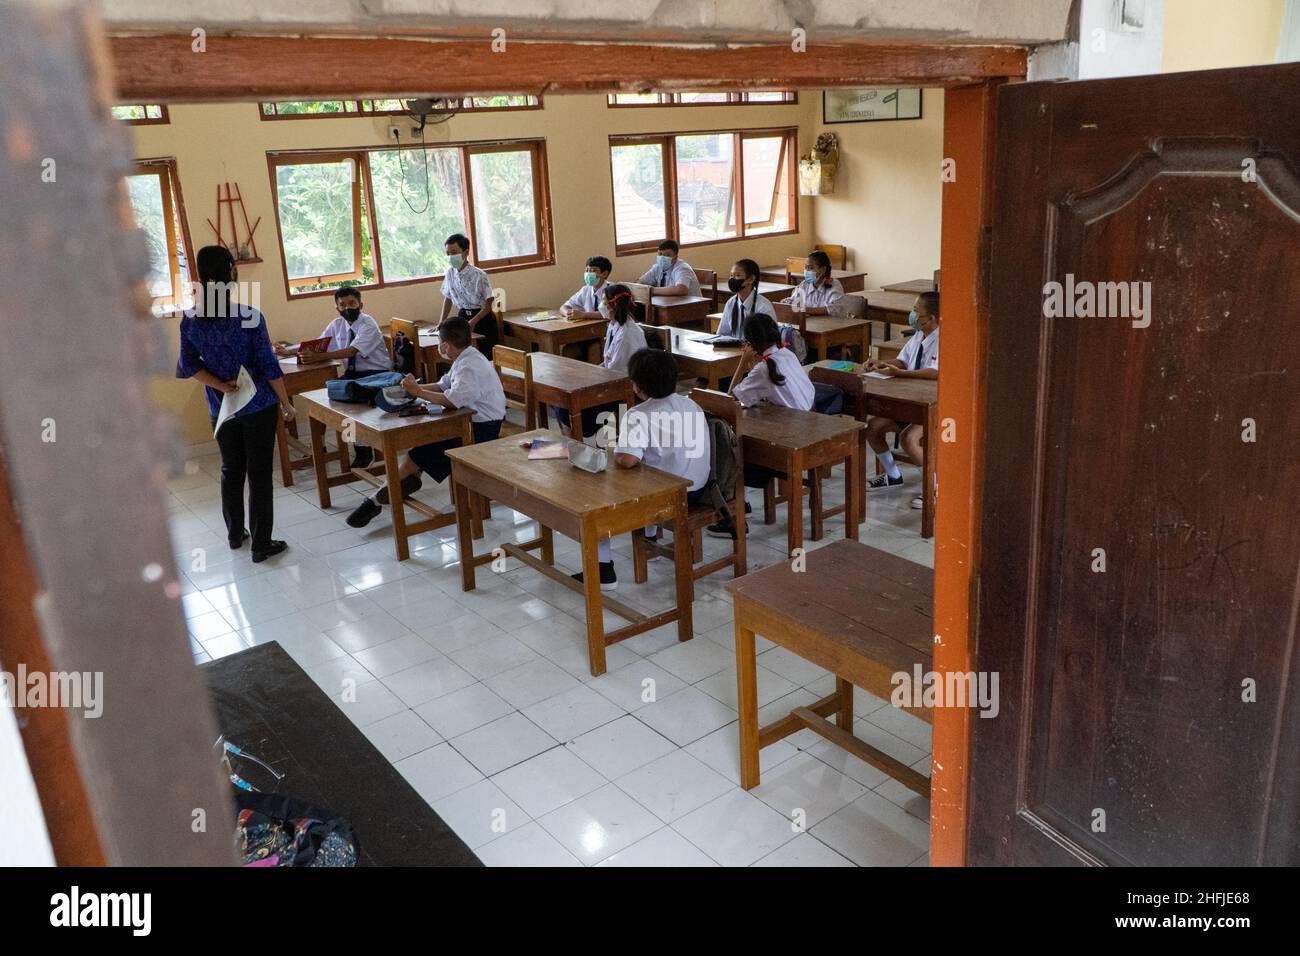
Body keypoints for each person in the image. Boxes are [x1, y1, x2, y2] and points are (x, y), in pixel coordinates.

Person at [176, 245, 294, 563]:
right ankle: (261, 544)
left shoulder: (190, 320)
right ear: (231, 274)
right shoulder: (250, 316)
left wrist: (220, 385)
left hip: (221, 408)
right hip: (258, 406)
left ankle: (234, 535)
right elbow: (269, 368)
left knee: (231, 469)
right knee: (258, 474)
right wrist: (286, 404)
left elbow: (187, 366)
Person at [346, 318, 505, 528]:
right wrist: (409, 388)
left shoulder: (469, 366)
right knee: (420, 450)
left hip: (481, 429)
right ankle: (401, 484)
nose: (439, 346)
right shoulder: (465, 357)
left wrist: (419, 392)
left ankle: (375, 500)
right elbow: (443, 386)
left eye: (439, 342)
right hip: (466, 422)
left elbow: (452, 400)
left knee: (416, 455)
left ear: (446, 345)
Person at [574, 348, 710, 591]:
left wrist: (615, 448)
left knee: (597, 494)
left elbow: (627, 460)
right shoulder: (691, 404)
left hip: (672, 497)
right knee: (654, 467)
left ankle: (603, 570)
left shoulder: (638, 414)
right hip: (701, 488)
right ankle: (650, 540)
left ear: (636, 386)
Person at [707, 313, 813, 538]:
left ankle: (735, 514)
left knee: (734, 446)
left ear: (750, 343)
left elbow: (730, 399)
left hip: (788, 439)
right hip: (808, 426)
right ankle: (739, 504)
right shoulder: (788, 354)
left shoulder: (762, 369)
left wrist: (742, 363)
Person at [276, 285, 391, 467]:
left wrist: (319, 357)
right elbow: (319, 344)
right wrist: (288, 351)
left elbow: (352, 351)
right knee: (321, 400)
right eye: (342, 305)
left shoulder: (368, 324)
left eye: (352, 303)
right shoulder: (337, 324)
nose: (347, 308)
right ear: (337, 308)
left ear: (361, 304)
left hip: (377, 375)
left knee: (347, 403)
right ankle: (319, 446)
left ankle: (363, 450)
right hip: (353, 375)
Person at [863, 291, 939, 510]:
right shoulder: (918, 334)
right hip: (908, 399)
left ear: (931, 318)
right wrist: (882, 363)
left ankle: (933, 488)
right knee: (873, 428)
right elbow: (903, 360)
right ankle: (893, 475)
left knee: (909, 439)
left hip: (932, 403)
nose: (912, 315)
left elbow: (935, 373)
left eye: (916, 311)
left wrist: (899, 373)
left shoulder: (944, 338)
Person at [553, 284, 647, 440]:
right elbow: (607, 362)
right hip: (610, 379)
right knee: (559, 398)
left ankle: (574, 445)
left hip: (622, 386)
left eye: (603, 302)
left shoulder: (627, 334)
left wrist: (588, 384)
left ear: (613, 305)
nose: (601, 306)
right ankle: (570, 444)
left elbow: (616, 374)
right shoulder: (613, 324)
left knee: (566, 406)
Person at [438, 233, 497, 359]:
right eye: (448, 254)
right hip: (463, 317)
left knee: (485, 357)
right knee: (464, 356)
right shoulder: (450, 274)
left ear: (465, 253)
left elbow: (488, 305)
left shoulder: (479, 274)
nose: (451, 257)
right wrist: (441, 322)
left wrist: (473, 322)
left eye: (454, 252)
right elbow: (448, 298)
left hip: (482, 319)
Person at [715, 258, 776, 339]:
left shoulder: (763, 307)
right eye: (731, 275)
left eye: (737, 275)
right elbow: (722, 334)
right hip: (733, 350)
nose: (732, 279)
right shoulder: (731, 303)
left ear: (751, 279)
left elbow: (770, 340)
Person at [782, 250, 844, 316]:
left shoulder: (834, 285)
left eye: (810, 268)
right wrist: (787, 302)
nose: (807, 271)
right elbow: (794, 300)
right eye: (805, 267)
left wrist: (804, 309)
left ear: (823, 269)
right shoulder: (804, 284)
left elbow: (835, 309)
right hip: (810, 324)